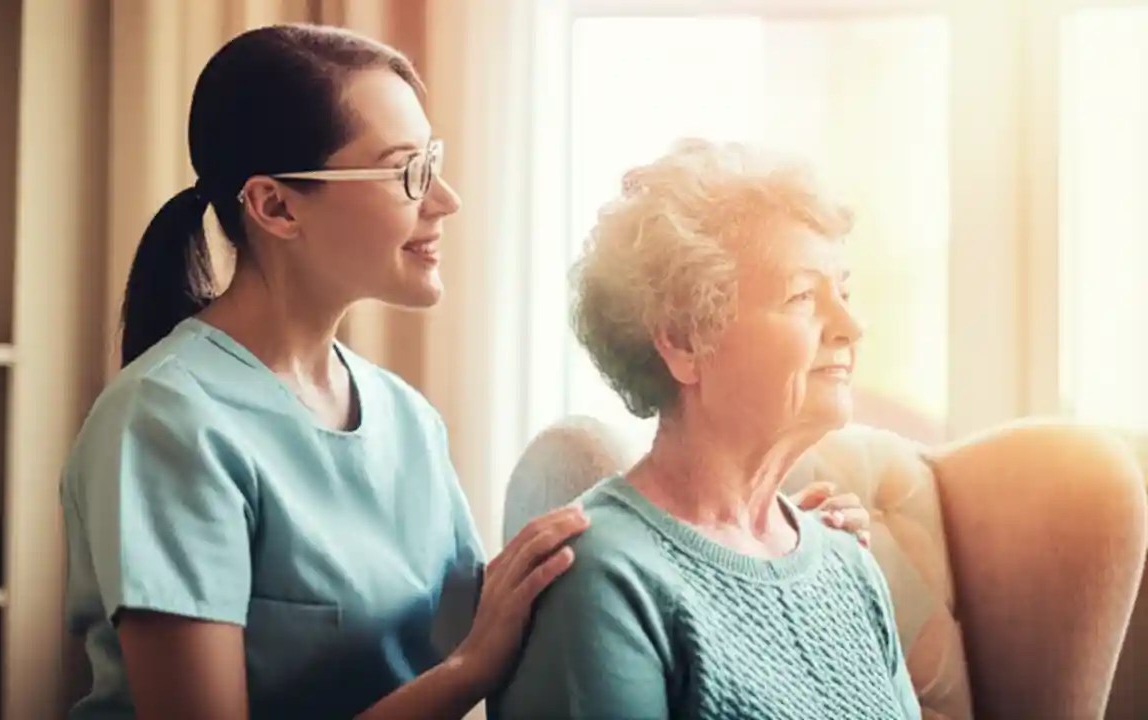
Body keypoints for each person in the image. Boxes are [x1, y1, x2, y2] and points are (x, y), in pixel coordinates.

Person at [60, 24, 874, 720]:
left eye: (436, 161)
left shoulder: (405, 419)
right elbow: (469, 655)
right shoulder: (167, 422)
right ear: (275, 207)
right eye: (407, 170)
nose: (444, 199)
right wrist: (465, 677)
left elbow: (493, 620)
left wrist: (749, 545)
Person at [493, 139, 922, 719]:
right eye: (802, 296)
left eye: (842, 293)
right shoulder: (603, 580)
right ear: (683, 340)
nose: (851, 325)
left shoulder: (848, 565)